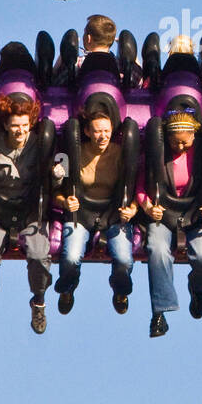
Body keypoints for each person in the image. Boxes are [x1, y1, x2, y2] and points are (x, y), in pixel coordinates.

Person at [137, 110, 202, 338]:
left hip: (195, 213)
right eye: (175, 143)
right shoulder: (158, 155)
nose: (180, 147)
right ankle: (160, 311)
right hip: (164, 214)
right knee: (157, 249)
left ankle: (197, 287)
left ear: (194, 136)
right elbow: (140, 183)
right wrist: (148, 207)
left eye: (185, 143)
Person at [0, 93, 55, 336]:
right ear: (6, 126)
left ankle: (38, 302)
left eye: (25, 126)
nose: (20, 131)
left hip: (29, 212)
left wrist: (58, 175)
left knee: (39, 254)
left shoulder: (39, 146)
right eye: (15, 126)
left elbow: (56, 177)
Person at [55, 105, 137, 314]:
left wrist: (133, 209)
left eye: (107, 131)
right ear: (87, 132)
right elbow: (54, 191)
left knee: (124, 259)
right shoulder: (75, 153)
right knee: (71, 257)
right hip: (81, 213)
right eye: (98, 131)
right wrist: (65, 202)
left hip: (113, 213)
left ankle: (120, 290)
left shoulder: (119, 153)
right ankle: (68, 288)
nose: (103, 136)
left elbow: (136, 187)